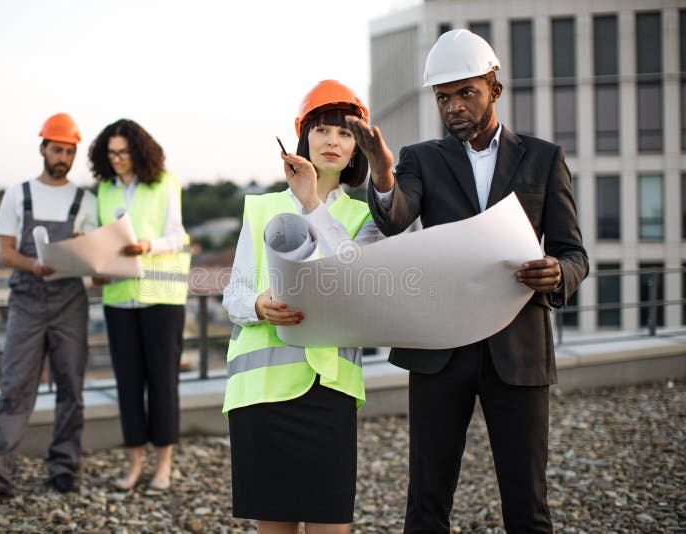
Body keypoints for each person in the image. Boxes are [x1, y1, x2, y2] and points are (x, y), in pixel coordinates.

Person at [347, 30, 589, 533]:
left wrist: (557, 273)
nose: (453, 106)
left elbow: (573, 254)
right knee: (427, 501)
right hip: (440, 352)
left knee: (528, 504)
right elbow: (395, 219)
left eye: (466, 93)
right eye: (443, 97)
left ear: (494, 90)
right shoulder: (419, 159)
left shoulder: (544, 159)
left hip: (518, 352)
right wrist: (383, 172)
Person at [222, 80, 382, 534]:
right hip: (262, 394)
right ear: (303, 138)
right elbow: (232, 294)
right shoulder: (261, 207)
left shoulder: (366, 217)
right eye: (323, 130)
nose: (333, 141)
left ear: (357, 150)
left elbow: (352, 280)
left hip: (329, 392)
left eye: (346, 133)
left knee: (331, 526)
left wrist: (312, 201)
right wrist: (258, 303)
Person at [0, 113, 98, 507]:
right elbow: (4, 252)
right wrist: (33, 265)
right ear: (43, 147)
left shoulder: (84, 200)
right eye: (57, 149)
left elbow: (91, 254)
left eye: (69, 152)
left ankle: (63, 468)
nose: (63, 157)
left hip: (69, 300)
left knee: (71, 386)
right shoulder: (16, 195)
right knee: (15, 386)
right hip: (25, 299)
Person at [88, 119, 190, 491]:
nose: (117, 159)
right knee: (128, 384)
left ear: (138, 151)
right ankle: (134, 465)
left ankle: (163, 465)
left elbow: (177, 236)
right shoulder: (104, 191)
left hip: (161, 295)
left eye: (123, 152)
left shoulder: (164, 182)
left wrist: (146, 246)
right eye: (111, 153)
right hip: (118, 298)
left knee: (162, 382)